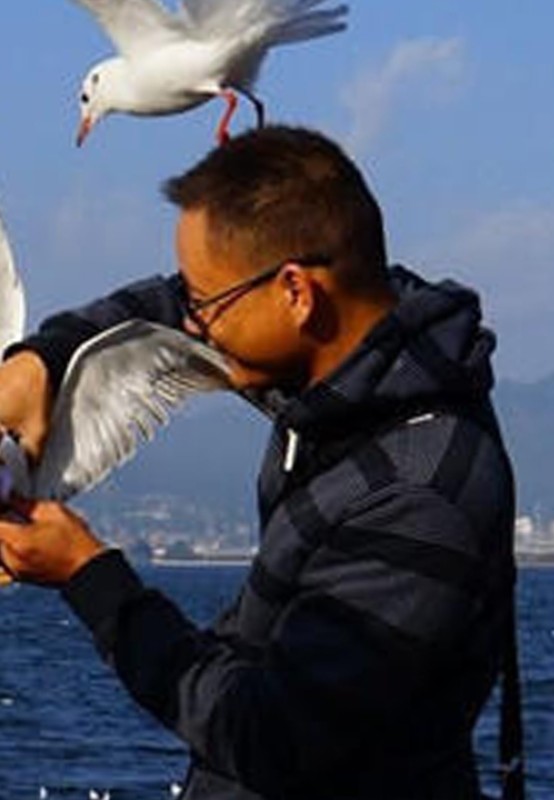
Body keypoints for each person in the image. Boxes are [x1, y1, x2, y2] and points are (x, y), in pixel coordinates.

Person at [0, 126, 519, 800]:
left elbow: (271, 738)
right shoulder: (344, 378)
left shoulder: (422, 491)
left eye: (205, 302)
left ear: (298, 292)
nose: (194, 324)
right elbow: (167, 306)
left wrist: (91, 578)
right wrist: (42, 361)